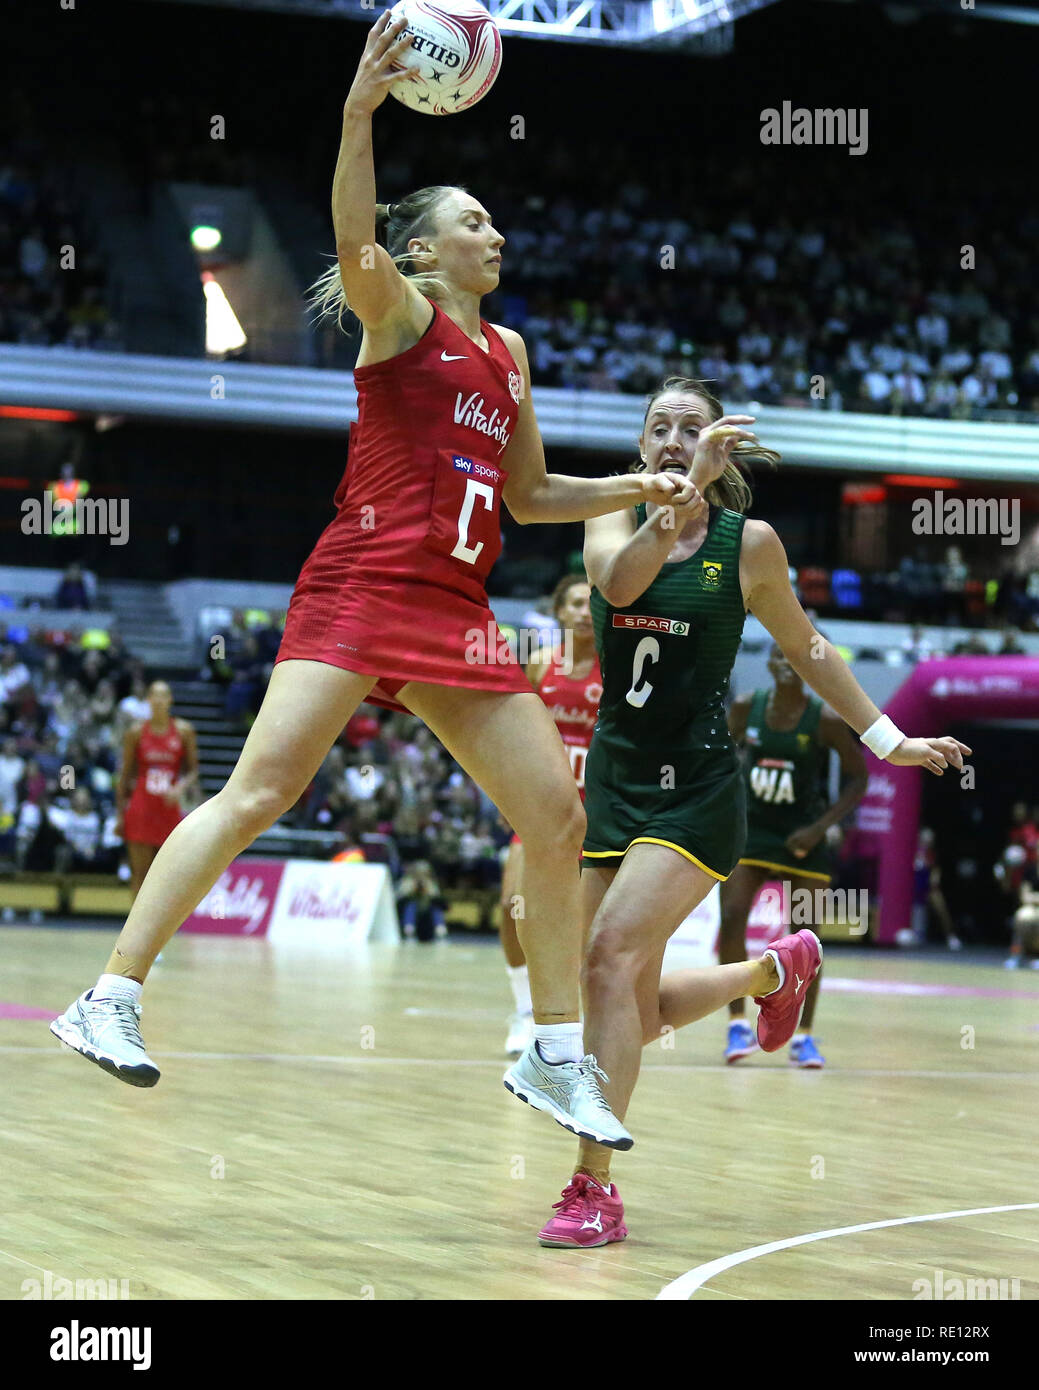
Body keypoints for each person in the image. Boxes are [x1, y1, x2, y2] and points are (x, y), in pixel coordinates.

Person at [50, 12, 690, 1151]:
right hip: (360, 581)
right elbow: (354, 234)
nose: (494, 232)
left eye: (491, 219)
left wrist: (641, 484)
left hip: (454, 609)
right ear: (429, 250)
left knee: (555, 816)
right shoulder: (394, 312)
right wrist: (358, 111)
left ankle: (550, 1055)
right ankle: (111, 996)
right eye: (474, 221)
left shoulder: (510, 356)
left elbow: (533, 496)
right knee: (260, 792)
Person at [535, 377, 972, 1248]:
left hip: (697, 790)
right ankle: (766, 977)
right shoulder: (609, 517)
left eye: (687, 428)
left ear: (715, 448)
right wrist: (669, 498)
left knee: (604, 959)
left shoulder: (749, 543)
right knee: (627, 1003)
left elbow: (807, 647)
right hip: (615, 785)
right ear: (640, 444)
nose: (668, 439)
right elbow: (619, 593)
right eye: (656, 427)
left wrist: (888, 743)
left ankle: (593, 1189)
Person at [718, 642, 869, 1069]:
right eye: (780, 656)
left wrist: (820, 828)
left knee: (806, 937)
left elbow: (858, 779)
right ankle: (736, 1025)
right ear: (768, 662)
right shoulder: (747, 707)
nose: (787, 663)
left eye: (795, 657)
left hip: (804, 837)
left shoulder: (825, 719)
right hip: (752, 833)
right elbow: (719, 762)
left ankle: (803, 1035)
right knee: (731, 917)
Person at [499, 573, 601, 1056]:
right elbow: (517, 737)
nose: (584, 610)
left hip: (595, 810)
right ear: (559, 611)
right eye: (575, 603)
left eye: (591, 603)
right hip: (543, 805)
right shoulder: (541, 665)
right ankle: (523, 1011)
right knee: (511, 907)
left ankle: (565, 1021)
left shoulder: (618, 669)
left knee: (578, 922)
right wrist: (508, 792)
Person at [114, 681, 199, 902]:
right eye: (155, 696)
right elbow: (125, 776)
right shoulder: (135, 732)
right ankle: (136, 930)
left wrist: (179, 787)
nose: (159, 700)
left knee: (165, 875)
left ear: (170, 700)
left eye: (164, 696)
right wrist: (119, 815)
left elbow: (193, 771)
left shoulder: (183, 731)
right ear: (149, 700)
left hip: (168, 809)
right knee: (140, 873)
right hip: (141, 808)